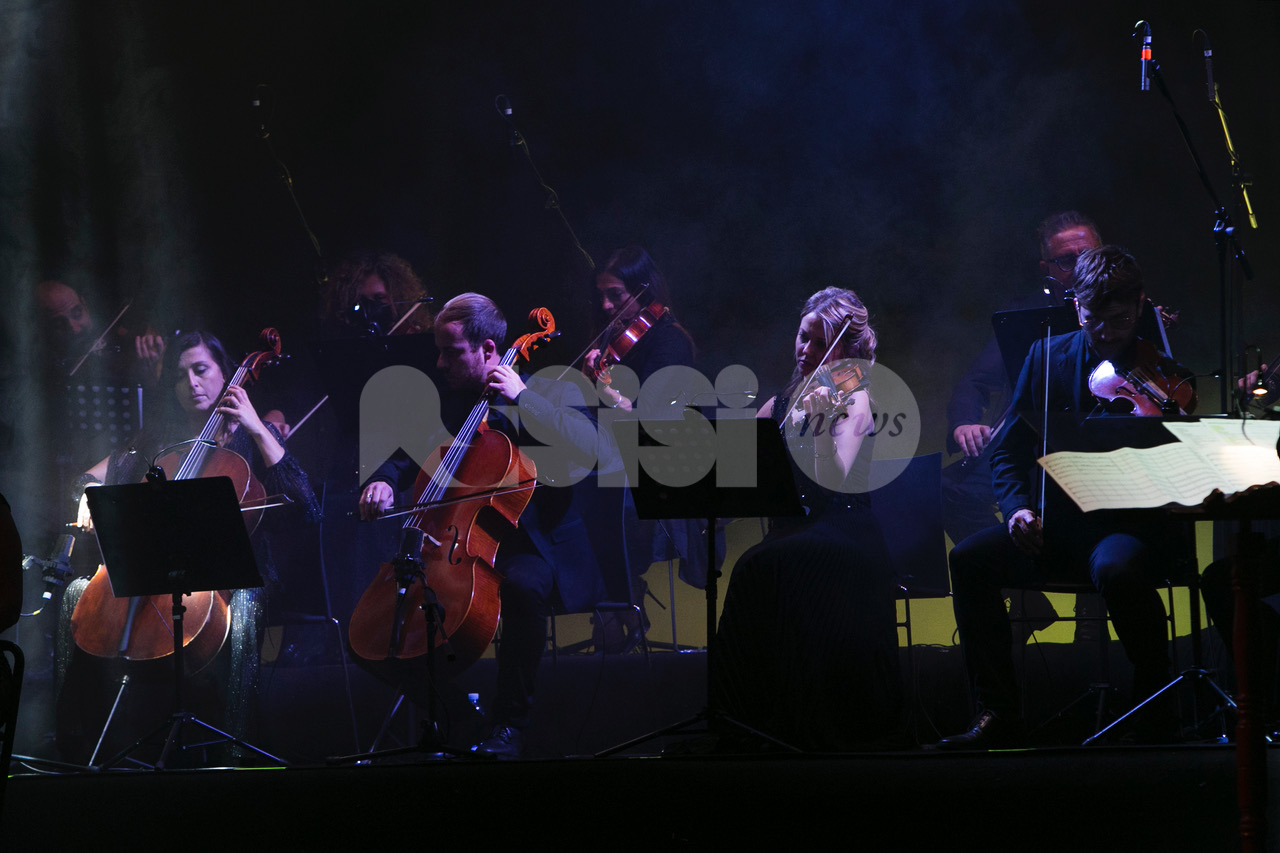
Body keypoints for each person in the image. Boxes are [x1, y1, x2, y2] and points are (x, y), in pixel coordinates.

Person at [936, 245, 1192, 749]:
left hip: (1124, 529)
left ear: (1139, 306)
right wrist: (1017, 510)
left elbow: (1174, 472)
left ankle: (1155, 700)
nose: (1105, 332)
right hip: (1054, 527)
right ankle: (999, 713)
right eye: (1093, 317)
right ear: (1078, 307)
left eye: (1119, 319)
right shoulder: (1045, 357)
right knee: (968, 561)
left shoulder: (1163, 373)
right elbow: (1007, 451)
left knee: (1117, 568)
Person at [359, 292, 627, 759]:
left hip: (538, 547)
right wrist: (381, 480)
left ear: (488, 350)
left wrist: (522, 399)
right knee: (377, 626)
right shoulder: (451, 403)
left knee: (522, 588)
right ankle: (461, 718)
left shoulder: (551, 388)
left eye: (451, 351)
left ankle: (510, 725)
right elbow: (408, 453)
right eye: (438, 351)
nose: (440, 363)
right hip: (461, 546)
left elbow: (592, 449)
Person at [61, 330, 319, 755]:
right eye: (181, 376)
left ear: (226, 375)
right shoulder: (162, 443)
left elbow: (307, 510)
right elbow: (90, 476)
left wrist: (255, 425)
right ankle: (77, 742)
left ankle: (236, 746)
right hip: (156, 574)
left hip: (236, 577)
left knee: (249, 604)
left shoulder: (256, 438)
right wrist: (86, 495)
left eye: (201, 370)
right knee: (75, 593)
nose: (192, 383)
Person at [709, 287, 902, 751]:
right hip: (795, 535)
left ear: (845, 350)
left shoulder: (855, 398)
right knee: (758, 561)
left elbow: (833, 477)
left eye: (818, 342)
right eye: (802, 336)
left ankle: (782, 723)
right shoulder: (780, 402)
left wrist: (817, 431)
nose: (805, 349)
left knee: (757, 566)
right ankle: (743, 725)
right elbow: (740, 473)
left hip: (845, 534)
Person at [943, 212, 1105, 642]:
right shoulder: (1026, 318)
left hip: (1096, 446)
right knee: (950, 490)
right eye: (1066, 260)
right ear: (1047, 269)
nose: (1078, 267)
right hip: (1031, 441)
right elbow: (976, 381)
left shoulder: (1122, 309)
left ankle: (1091, 619)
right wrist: (965, 422)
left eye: (1087, 256)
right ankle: (1023, 590)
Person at [580, 245, 707, 648]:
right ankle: (615, 603)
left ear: (643, 290)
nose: (605, 304)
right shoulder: (616, 343)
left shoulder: (671, 342)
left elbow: (650, 421)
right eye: (601, 294)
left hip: (660, 468)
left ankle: (619, 602)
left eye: (615, 294)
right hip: (615, 465)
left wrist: (605, 390)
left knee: (604, 502)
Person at [318, 251, 433, 339]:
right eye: (361, 300)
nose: (371, 307)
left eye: (379, 298)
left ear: (398, 295)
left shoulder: (408, 332)